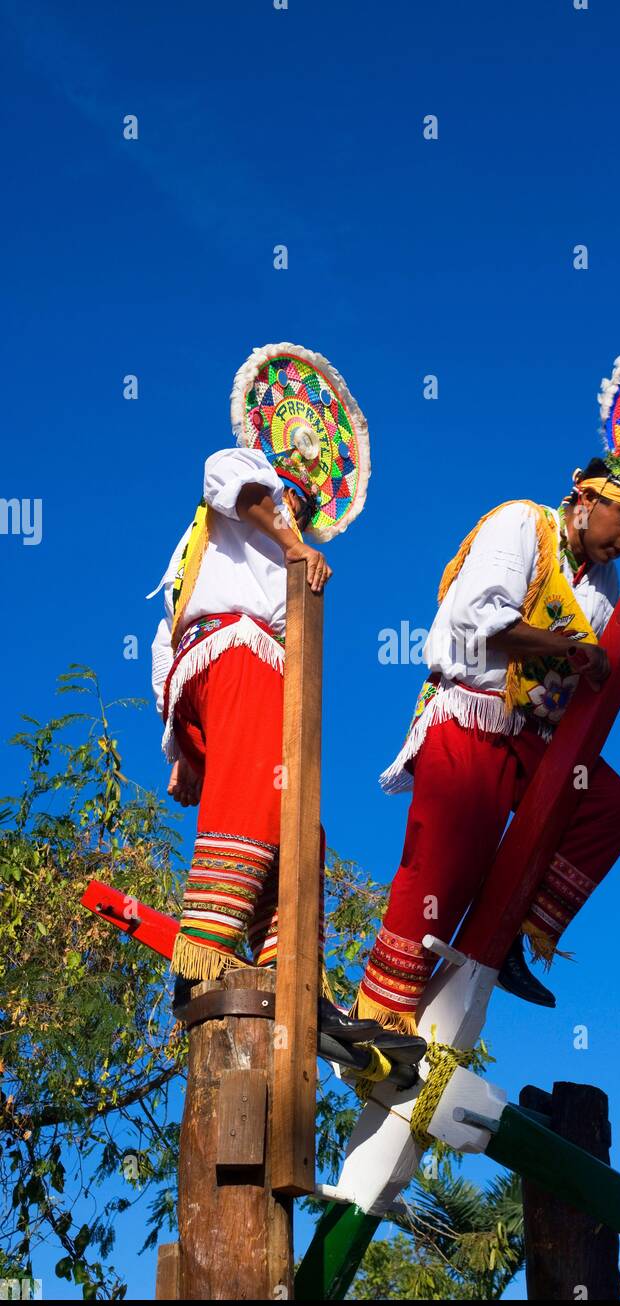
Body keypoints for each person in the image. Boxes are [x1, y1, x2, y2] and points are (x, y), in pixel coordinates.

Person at [353, 437, 620, 1034]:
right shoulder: (520, 523)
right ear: (584, 497)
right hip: (473, 712)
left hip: (538, 734)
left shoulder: (605, 582)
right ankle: (381, 1015)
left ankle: (510, 931)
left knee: (611, 807)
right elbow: (480, 621)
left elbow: (582, 663)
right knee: (445, 868)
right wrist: (574, 650)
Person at [148, 343, 378, 1042]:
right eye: (287, 497)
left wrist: (186, 751)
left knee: (300, 825)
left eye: (303, 508)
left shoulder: (281, 549)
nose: (293, 509)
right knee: (252, 796)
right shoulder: (239, 479)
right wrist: (288, 538)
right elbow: (238, 488)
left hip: (249, 671)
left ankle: (292, 971)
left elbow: (164, 642)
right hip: (232, 654)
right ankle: (202, 953)